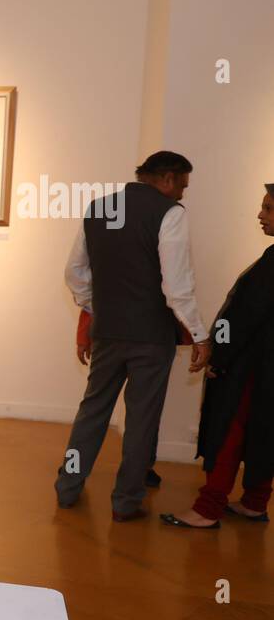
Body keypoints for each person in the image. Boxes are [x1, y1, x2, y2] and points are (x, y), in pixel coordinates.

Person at [55, 151, 211, 521]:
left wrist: (98, 305)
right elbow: (177, 286)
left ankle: (67, 487)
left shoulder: (98, 208)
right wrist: (200, 334)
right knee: (142, 418)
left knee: (92, 411)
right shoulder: (170, 214)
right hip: (150, 336)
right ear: (168, 178)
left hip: (107, 331)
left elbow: (74, 272)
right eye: (183, 186)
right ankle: (126, 501)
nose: (183, 195)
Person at [161, 183, 274, 529]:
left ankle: (207, 509)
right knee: (264, 429)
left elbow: (243, 316)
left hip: (252, 368)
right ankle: (255, 502)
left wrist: (219, 358)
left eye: (268, 208)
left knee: (230, 430)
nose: (260, 214)